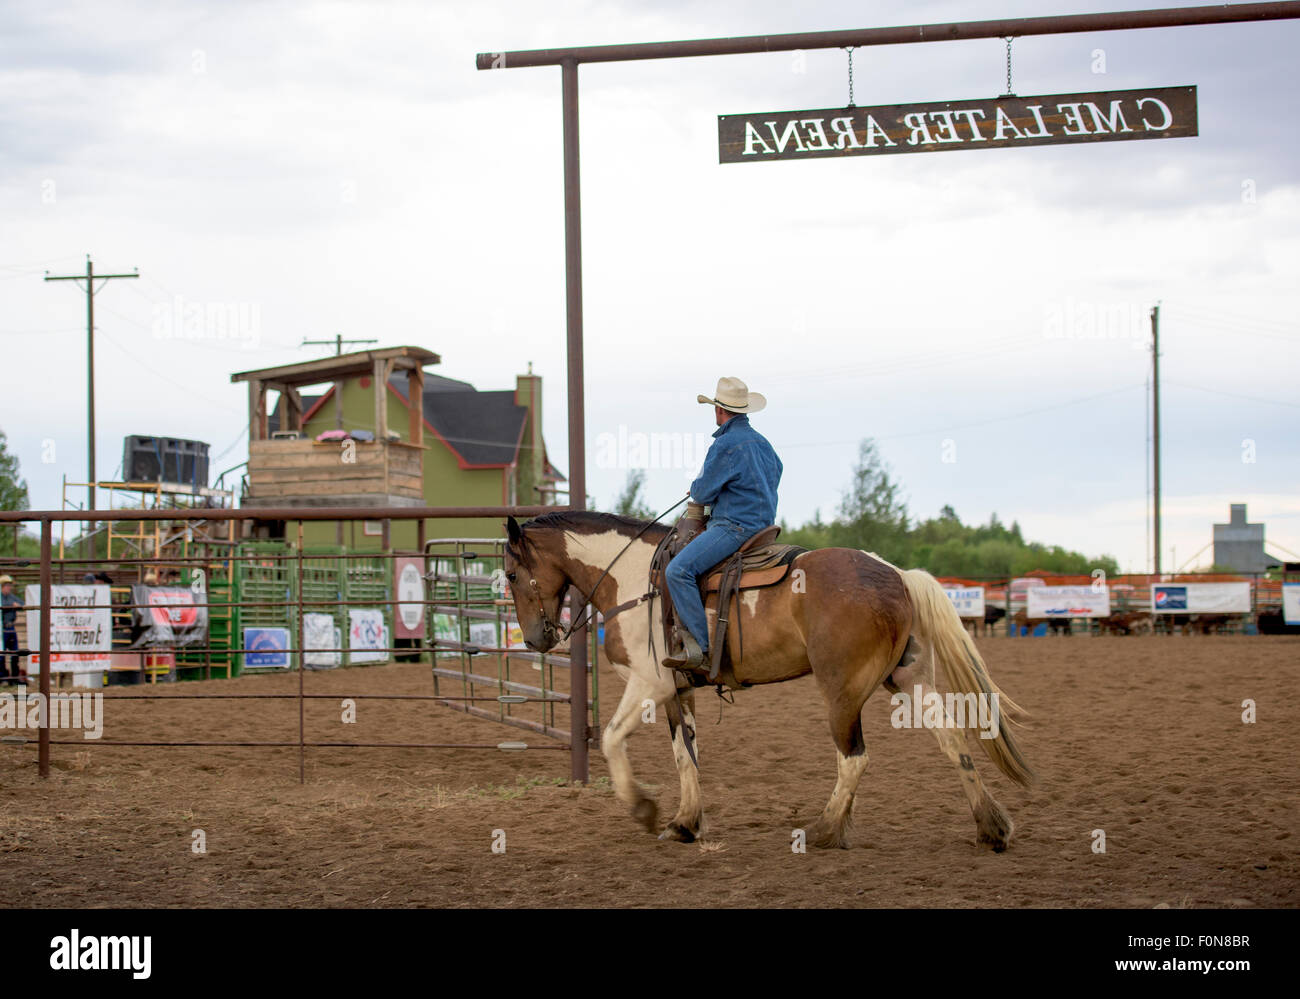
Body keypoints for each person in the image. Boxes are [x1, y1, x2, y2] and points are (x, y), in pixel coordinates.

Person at [662, 377, 783, 673]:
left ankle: (700, 649)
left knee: (678, 571)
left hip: (733, 528)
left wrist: (697, 487)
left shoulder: (725, 444)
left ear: (719, 410)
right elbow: (776, 472)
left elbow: (702, 493)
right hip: (764, 528)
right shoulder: (764, 444)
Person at [1, 575, 22, 685]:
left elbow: (21, 604)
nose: (9, 587)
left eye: (9, 585)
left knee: (15, 653)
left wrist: (16, 605)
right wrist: (12, 605)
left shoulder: (11, 596)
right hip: (1, 627)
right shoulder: (3, 598)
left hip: (10, 627)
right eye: (7, 585)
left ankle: (14, 678)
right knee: (1, 654)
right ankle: (3, 678)